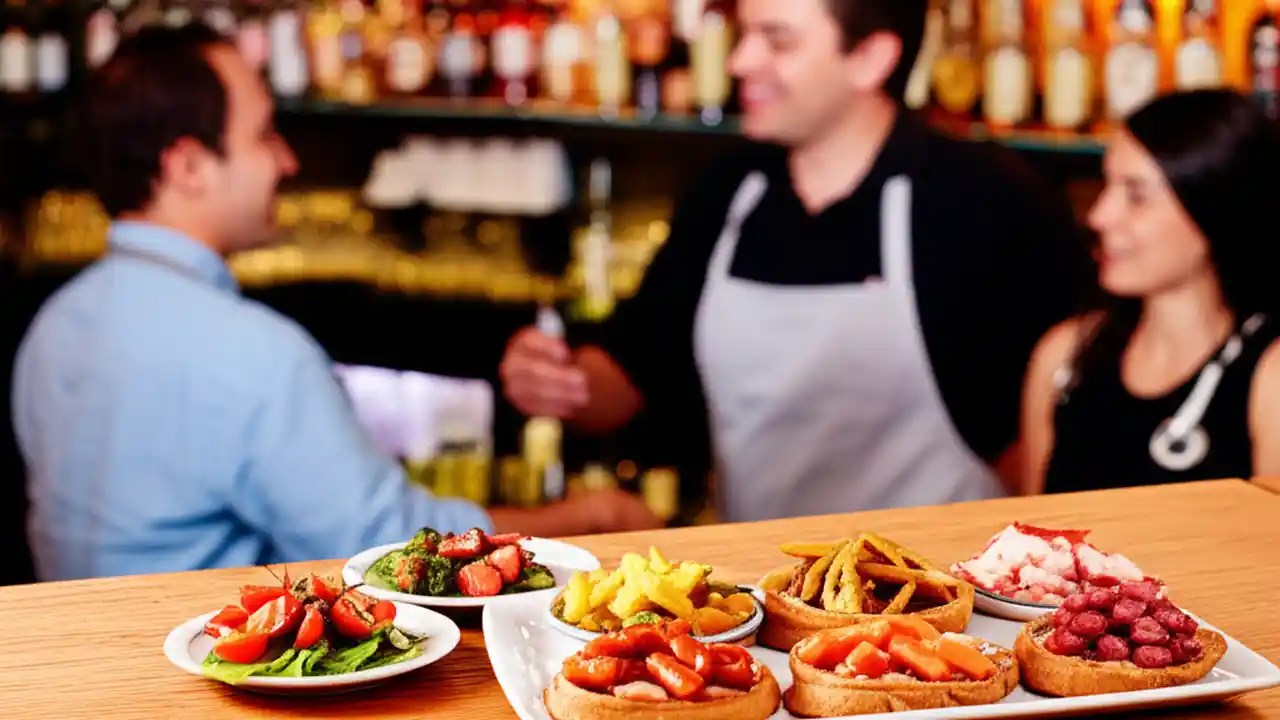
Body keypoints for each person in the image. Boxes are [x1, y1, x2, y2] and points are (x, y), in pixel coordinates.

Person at [11, 25, 658, 582]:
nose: (286, 161)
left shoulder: (55, 326)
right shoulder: (253, 352)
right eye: (264, 135)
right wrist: (592, 517)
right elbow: (389, 543)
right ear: (188, 166)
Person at [500, 0, 1086, 523]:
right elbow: (633, 377)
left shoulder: (985, 199)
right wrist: (565, 381)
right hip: (763, 592)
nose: (740, 61)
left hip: (939, 604)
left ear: (870, 58)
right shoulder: (730, 190)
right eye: (744, 34)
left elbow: (1059, 426)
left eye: (778, 41)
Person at [1021, 90, 1280, 495]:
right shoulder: (1063, 358)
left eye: (1136, 195)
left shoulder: (1269, 378)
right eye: (1106, 184)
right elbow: (1028, 541)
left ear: (1214, 209)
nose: (1100, 215)